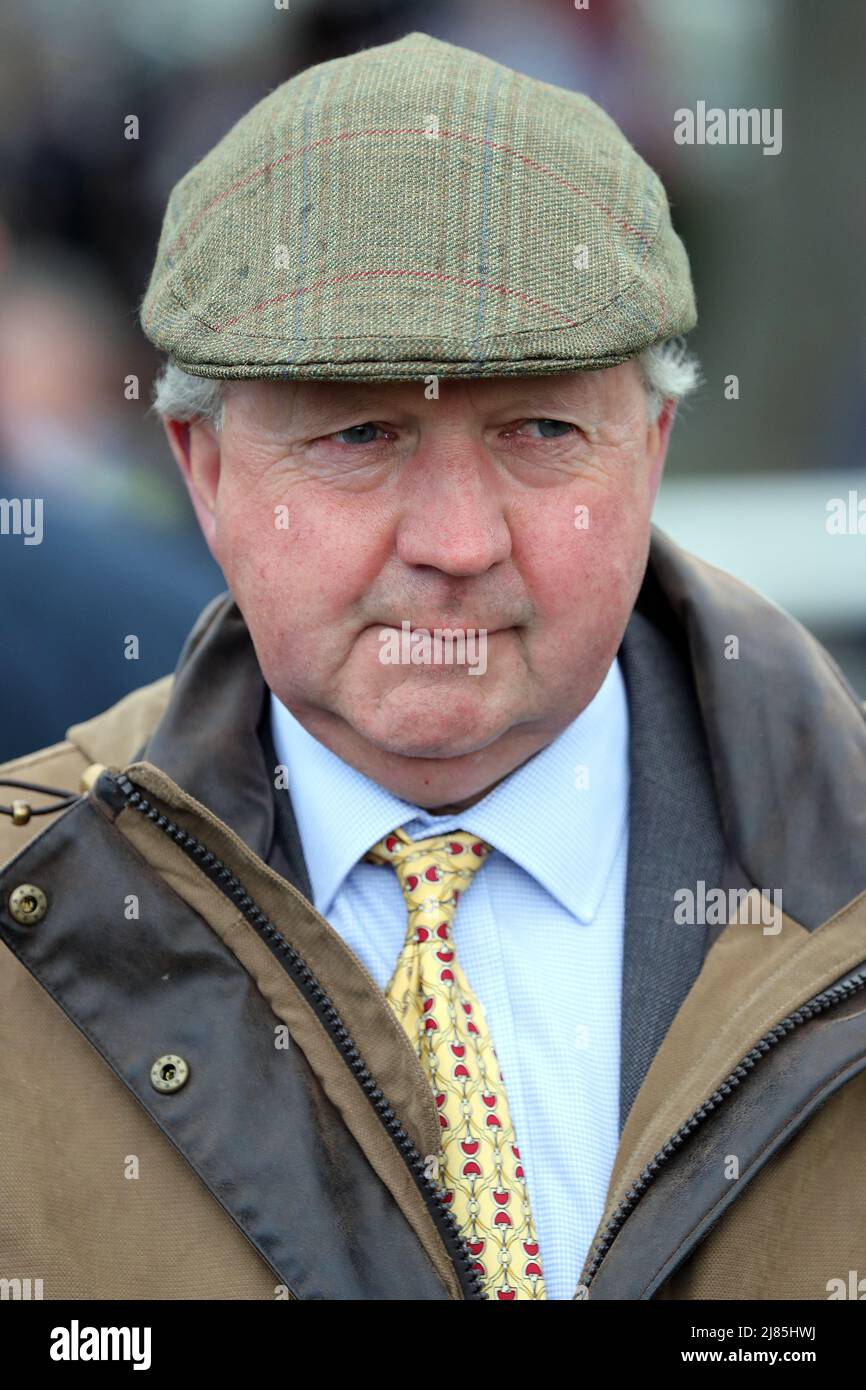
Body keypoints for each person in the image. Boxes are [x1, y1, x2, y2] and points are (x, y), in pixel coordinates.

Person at [1, 31, 864, 1303]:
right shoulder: (30, 910)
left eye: (538, 430)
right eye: (360, 434)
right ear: (205, 468)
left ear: (652, 446)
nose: (457, 544)